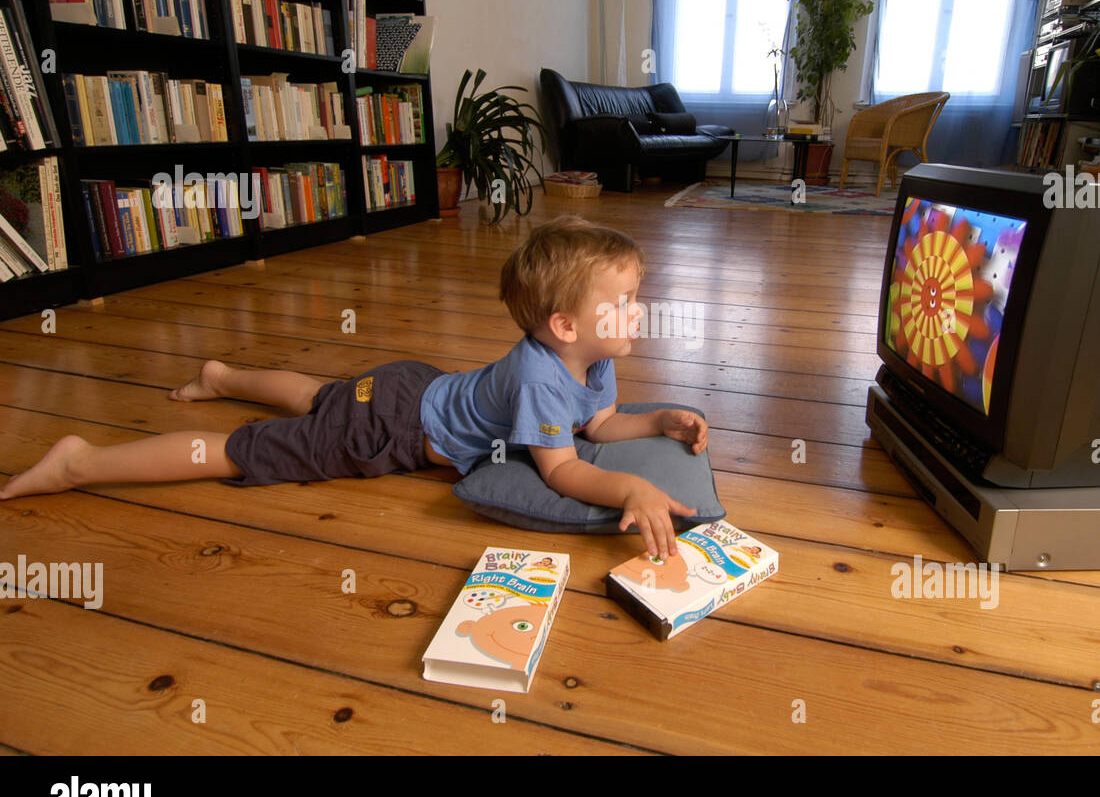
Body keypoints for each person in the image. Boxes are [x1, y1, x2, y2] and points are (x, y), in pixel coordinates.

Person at [0, 216, 708, 557]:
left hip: (415, 386)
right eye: (623, 301)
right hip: (390, 427)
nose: (637, 312)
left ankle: (222, 374)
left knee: (323, 394)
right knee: (245, 452)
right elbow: (563, 471)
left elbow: (599, 425)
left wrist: (657, 424)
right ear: (562, 324)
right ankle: (80, 462)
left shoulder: (597, 354)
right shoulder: (538, 377)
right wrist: (630, 489)